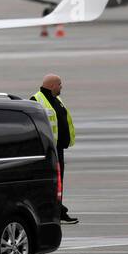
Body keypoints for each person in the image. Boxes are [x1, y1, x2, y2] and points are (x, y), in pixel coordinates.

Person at [31, 73, 78, 224]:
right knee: (52, 182)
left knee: (59, 182)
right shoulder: (36, 100)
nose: (61, 87)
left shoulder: (57, 99)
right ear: (52, 85)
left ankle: (58, 210)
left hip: (58, 149)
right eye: (59, 84)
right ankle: (53, 212)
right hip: (48, 150)